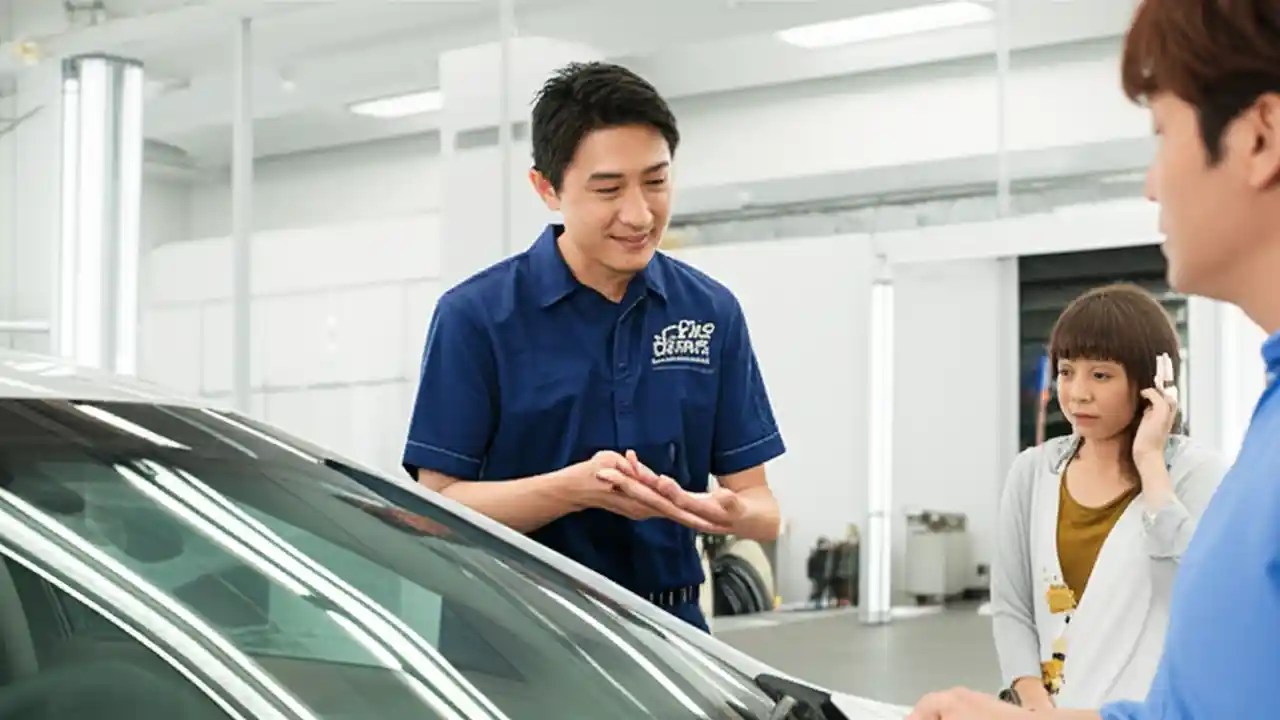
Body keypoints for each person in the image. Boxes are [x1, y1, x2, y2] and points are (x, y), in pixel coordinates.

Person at [909, 0, 1280, 717]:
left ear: (1262, 136)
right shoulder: (1268, 423)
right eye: (1068, 371)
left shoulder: (1216, 471)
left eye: (1160, 132)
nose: (1150, 183)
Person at [401, 61, 786, 632]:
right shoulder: (477, 318)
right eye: (608, 189)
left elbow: (762, 507)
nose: (639, 214)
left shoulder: (710, 312)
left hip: (672, 632)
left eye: (656, 182)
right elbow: (434, 511)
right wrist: (572, 491)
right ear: (547, 188)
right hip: (514, 636)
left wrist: (725, 514)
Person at [991, 284, 1226, 712]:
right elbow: (1012, 607)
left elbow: (1200, 593)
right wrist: (1034, 703)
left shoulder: (1196, 473)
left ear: (1154, 382)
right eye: (1066, 371)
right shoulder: (1032, 472)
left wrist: (1151, 462)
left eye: (1100, 375)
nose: (1078, 392)